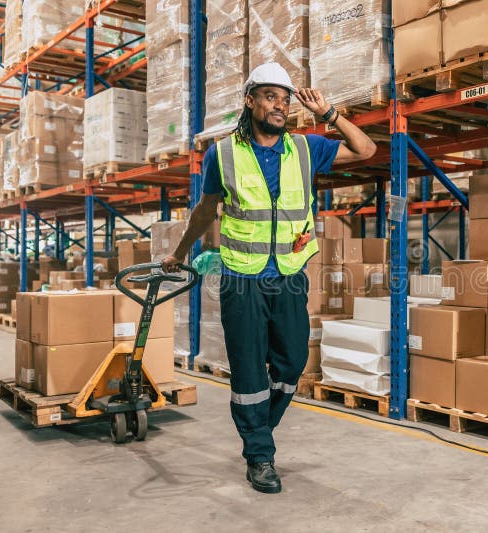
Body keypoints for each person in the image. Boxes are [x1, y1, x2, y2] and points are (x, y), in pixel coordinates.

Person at [161, 62, 376, 494]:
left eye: (285, 98)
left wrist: (330, 113)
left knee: (292, 361)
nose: (280, 105)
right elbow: (206, 212)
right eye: (270, 96)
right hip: (242, 277)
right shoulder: (222, 154)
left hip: (291, 275)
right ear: (250, 100)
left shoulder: (304, 148)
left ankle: (262, 427)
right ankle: (259, 455)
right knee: (247, 369)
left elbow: (366, 149)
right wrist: (180, 252)